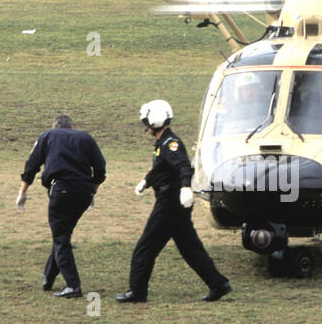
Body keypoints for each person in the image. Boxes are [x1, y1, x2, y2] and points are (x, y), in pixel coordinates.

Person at [116, 99, 232, 303]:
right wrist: (147, 180)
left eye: (146, 122)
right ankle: (218, 284)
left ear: (154, 121)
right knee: (190, 249)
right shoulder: (163, 142)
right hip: (173, 203)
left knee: (145, 247)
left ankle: (137, 292)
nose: (145, 127)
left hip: (170, 203)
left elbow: (184, 167)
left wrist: (186, 187)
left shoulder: (171, 143)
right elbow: (161, 167)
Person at [16, 114, 106, 298]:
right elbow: (101, 167)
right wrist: (93, 191)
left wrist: (22, 192)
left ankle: (73, 285)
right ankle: (48, 278)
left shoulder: (47, 136)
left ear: (54, 127)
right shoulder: (86, 138)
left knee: (60, 238)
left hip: (61, 191)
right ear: (72, 126)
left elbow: (31, 165)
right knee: (62, 234)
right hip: (83, 191)